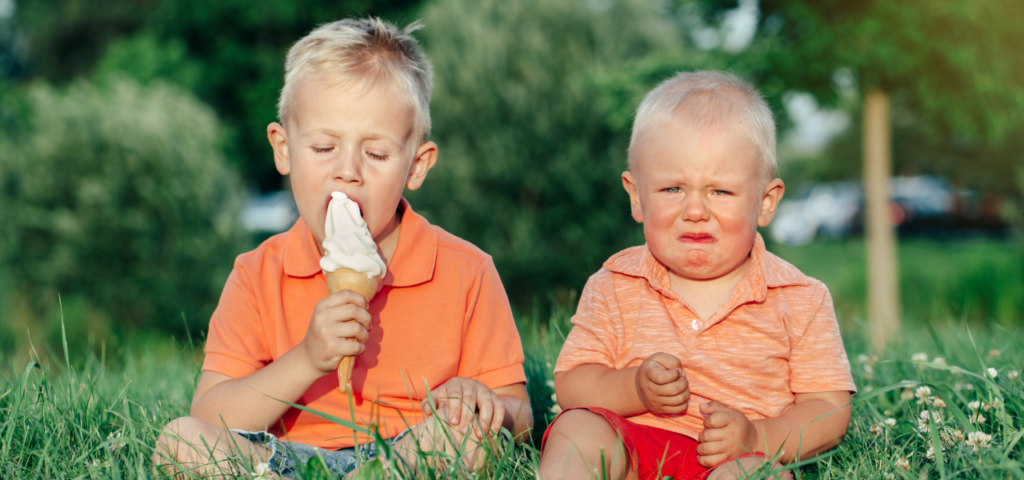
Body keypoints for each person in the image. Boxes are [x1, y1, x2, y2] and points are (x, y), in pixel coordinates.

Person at [153, 18, 532, 478]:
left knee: (474, 436)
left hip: (407, 457)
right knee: (180, 440)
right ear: (284, 150)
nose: (347, 171)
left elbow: (520, 418)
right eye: (324, 147)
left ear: (416, 165)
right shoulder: (257, 273)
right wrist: (307, 359)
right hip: (283, 458)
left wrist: (486, 403)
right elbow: (210, 413)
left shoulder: (466, 271)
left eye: (375, 154)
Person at [538, 71, 855, 480]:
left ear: (766, 201)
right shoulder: (614, 283)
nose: (695, 210)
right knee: (577, 428)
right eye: (672, 189)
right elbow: (572, 385)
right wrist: (633, 389)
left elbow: (828, 409)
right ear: (637, 197)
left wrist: (757, 437)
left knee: (756, 475)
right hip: (634, 446)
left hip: (733, 459)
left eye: (720, 191)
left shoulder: (800, 298)